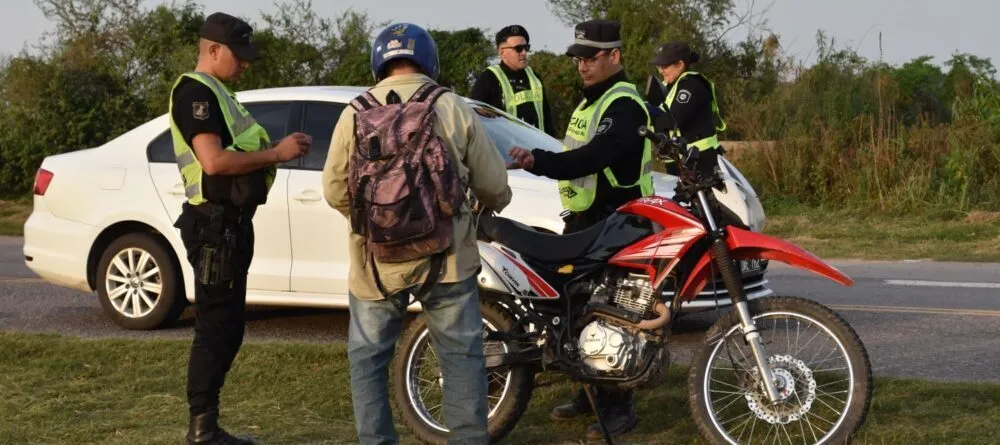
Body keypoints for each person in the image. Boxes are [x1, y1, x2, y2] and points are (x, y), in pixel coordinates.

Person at [322, 22, 513, 445]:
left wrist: (377, 224)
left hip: (375, 264)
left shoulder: (353, 111)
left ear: (379, 61)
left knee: (369, 358)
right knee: (461, 357)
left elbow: (334, 190)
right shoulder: (452, 106)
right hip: (446, 259)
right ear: (429, 60)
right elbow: (493, 184)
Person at [169, 12, 311, 445]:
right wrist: (277, 155)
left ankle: (207, 425)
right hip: (213, 228)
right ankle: (203, 429)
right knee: (215, 328)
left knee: (228, 326)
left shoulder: (220, 94)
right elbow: (212, 162)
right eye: (239, 55)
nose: (246, 64)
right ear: (213, 49)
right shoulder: (196, 92)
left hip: (229, 227)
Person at [506, 19, 652, 440]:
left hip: (618, 221)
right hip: (586, 221)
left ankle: (618, 409)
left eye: (591, 58)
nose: (582, 66)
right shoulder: (592, 102)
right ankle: (587, 392)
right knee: (576, 311)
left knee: (611, 316)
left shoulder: (623, 104)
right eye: (578, 58)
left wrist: (538, 161)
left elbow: (594, 157)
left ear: (614, 57)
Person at [649, 40, 728, 176]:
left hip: (701, 160)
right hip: (679, 159)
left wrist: (647, 113)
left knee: (703, 198)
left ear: (680, 64)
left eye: (664, 66)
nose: (660, 71)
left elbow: (672, 120)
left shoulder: (691, 85)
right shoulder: (669, 85)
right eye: (658, 66)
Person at [469, 25, 557, 137]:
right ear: (501, 52)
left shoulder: (534, 76)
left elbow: (547, 118)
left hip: (538, 150)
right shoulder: (489, 77)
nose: (524, 53)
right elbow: (475, 120)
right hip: (505, 151)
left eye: (526, 47)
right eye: (518, 49)